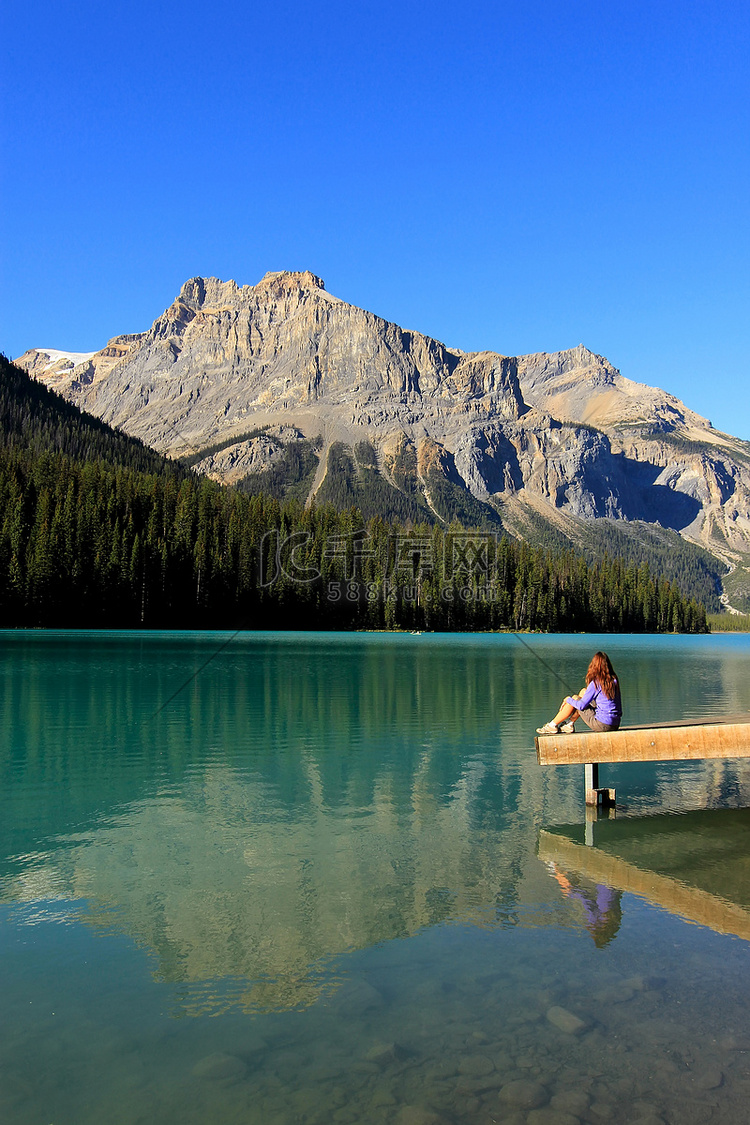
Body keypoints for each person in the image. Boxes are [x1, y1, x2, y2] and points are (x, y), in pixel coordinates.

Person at [536, 651, 622, 735]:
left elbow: (581, 706)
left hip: (602, 725)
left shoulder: (596, 683)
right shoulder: (614, 680)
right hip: (615, 724)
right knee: (583, 692)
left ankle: (552, 725)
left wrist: (568, 699)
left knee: (575, 699)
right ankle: (569, 724)